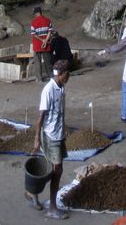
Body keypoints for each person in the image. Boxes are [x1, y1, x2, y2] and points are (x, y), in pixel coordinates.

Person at [30, 60, 71, 219]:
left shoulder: (61, 87)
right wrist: (36, 138)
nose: (69, 77)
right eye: (67, 74)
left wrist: (64, 128)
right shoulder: (48, 90)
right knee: (57, 170)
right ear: (60, 74)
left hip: (58, 133)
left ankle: (31, 192)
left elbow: (59, 111)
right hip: (50, 135)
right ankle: (52, 208)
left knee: (52, 169)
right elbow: (40, 118)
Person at [31, 6, 53, 82]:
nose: (34, 15)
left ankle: (39, 78)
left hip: (37, 45)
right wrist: (45, 41)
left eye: (34, 13)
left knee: (38, 62)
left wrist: (42, 40)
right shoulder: (48, 20)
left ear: (37, 13)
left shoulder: (33, 22)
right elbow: (50, 32)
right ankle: (51, 76)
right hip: (46, 45)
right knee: (47, 61)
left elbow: (34, 34)